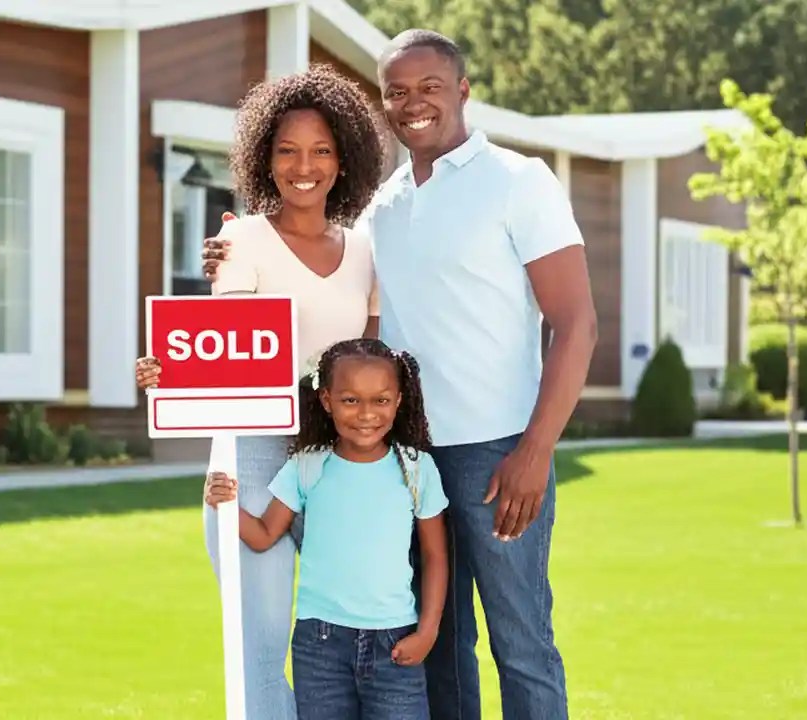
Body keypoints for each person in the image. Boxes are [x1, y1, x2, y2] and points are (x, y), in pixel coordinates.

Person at [199, 30, 598, 720]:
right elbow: (328, 296)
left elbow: (578, 322)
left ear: (464, 90)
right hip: (401, 458)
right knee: (435, 647)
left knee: (522, 643)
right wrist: (234, 253)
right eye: (397, 91)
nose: (413, 103)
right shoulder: (382, 208)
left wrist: (535, 450)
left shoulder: (519, 179)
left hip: (497, 453)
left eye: (431, 87)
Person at [135, 65, 390, 719]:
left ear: (345, 159)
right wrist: (168, 371)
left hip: (337, 466)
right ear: (262, 159)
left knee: (355, 649)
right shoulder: (241, 240)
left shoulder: (365, 250)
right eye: (286, 151)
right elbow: (219, 353)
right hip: (253, 460)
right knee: (260, 648)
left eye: (321, 150)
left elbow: (371, 362)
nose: (303, 167)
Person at [204, 338, 449, 720]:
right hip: (319, 645)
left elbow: (435, 556)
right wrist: (226, 503)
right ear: (326, 400)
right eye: (350, 400)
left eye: (380, 400)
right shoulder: (307, 466)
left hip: (396, 642)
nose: (366, 414)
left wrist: (428, 631)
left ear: (399, 400)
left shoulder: (417, 468)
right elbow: (264, 534)